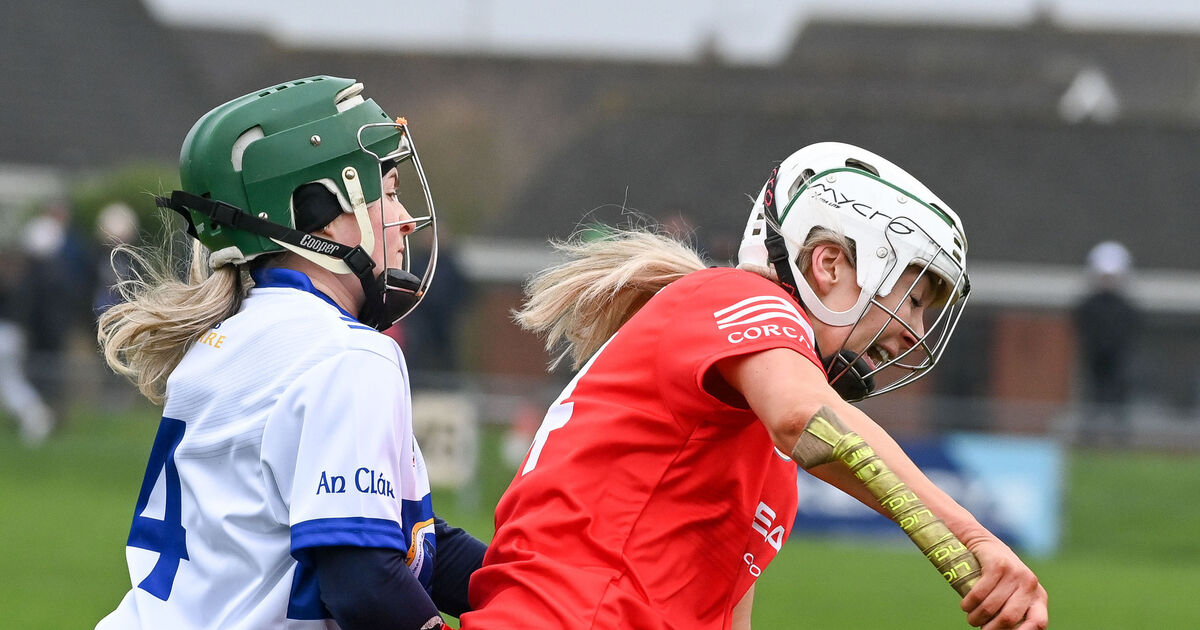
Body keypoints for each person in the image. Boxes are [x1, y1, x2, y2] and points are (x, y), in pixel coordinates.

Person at [459, 142, 1048, 630]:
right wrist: (972, 539)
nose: (911, 334)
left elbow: (723, 615)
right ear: (829, 265)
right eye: (913, 299)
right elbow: (808, 418)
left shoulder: (769, 451)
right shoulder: (739, 297)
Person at [95, 76, 484, 630]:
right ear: (319, 209)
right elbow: (364, 580)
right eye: (390, 191)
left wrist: (543, 587)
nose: (402, 220)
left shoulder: (228, 335)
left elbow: (411, 543)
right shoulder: (345, 353)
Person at [1073, 240, 1142, 446]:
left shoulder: (1127, 309)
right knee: (1092, 398)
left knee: (1118, 397)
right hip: (1094, 363)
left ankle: (1119, 439)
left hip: (1119, 366)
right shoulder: (1088, 306)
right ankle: (1089, 438)